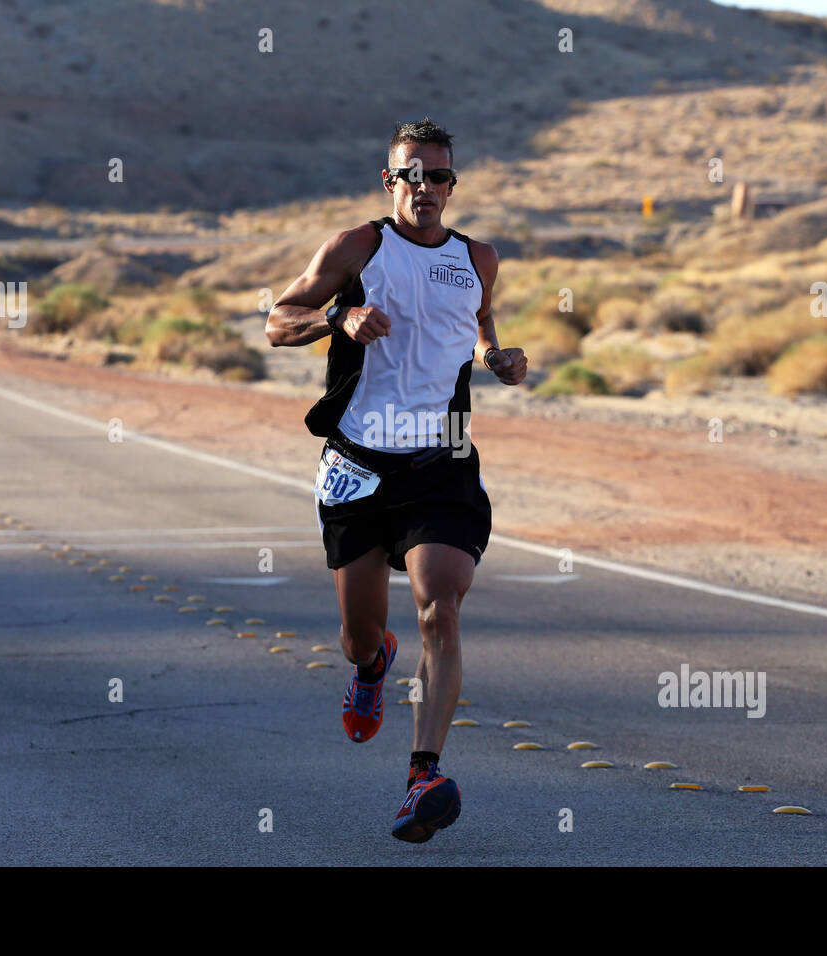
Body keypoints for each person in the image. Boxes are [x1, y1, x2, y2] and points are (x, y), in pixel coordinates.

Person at [265, 117, 527, 842]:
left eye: (437, 174)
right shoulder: (358, 246)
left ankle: (423, 776)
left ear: (452, 184)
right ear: (391, 181)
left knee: (440, 608)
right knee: (361, 633)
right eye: (410, 173)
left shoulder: (478, 257)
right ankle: (371, 664)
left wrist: (496, 356)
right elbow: (276, 321)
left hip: (441, 460)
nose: (424, 186)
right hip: (357, 460)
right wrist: (337, 319)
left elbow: (475, 320)